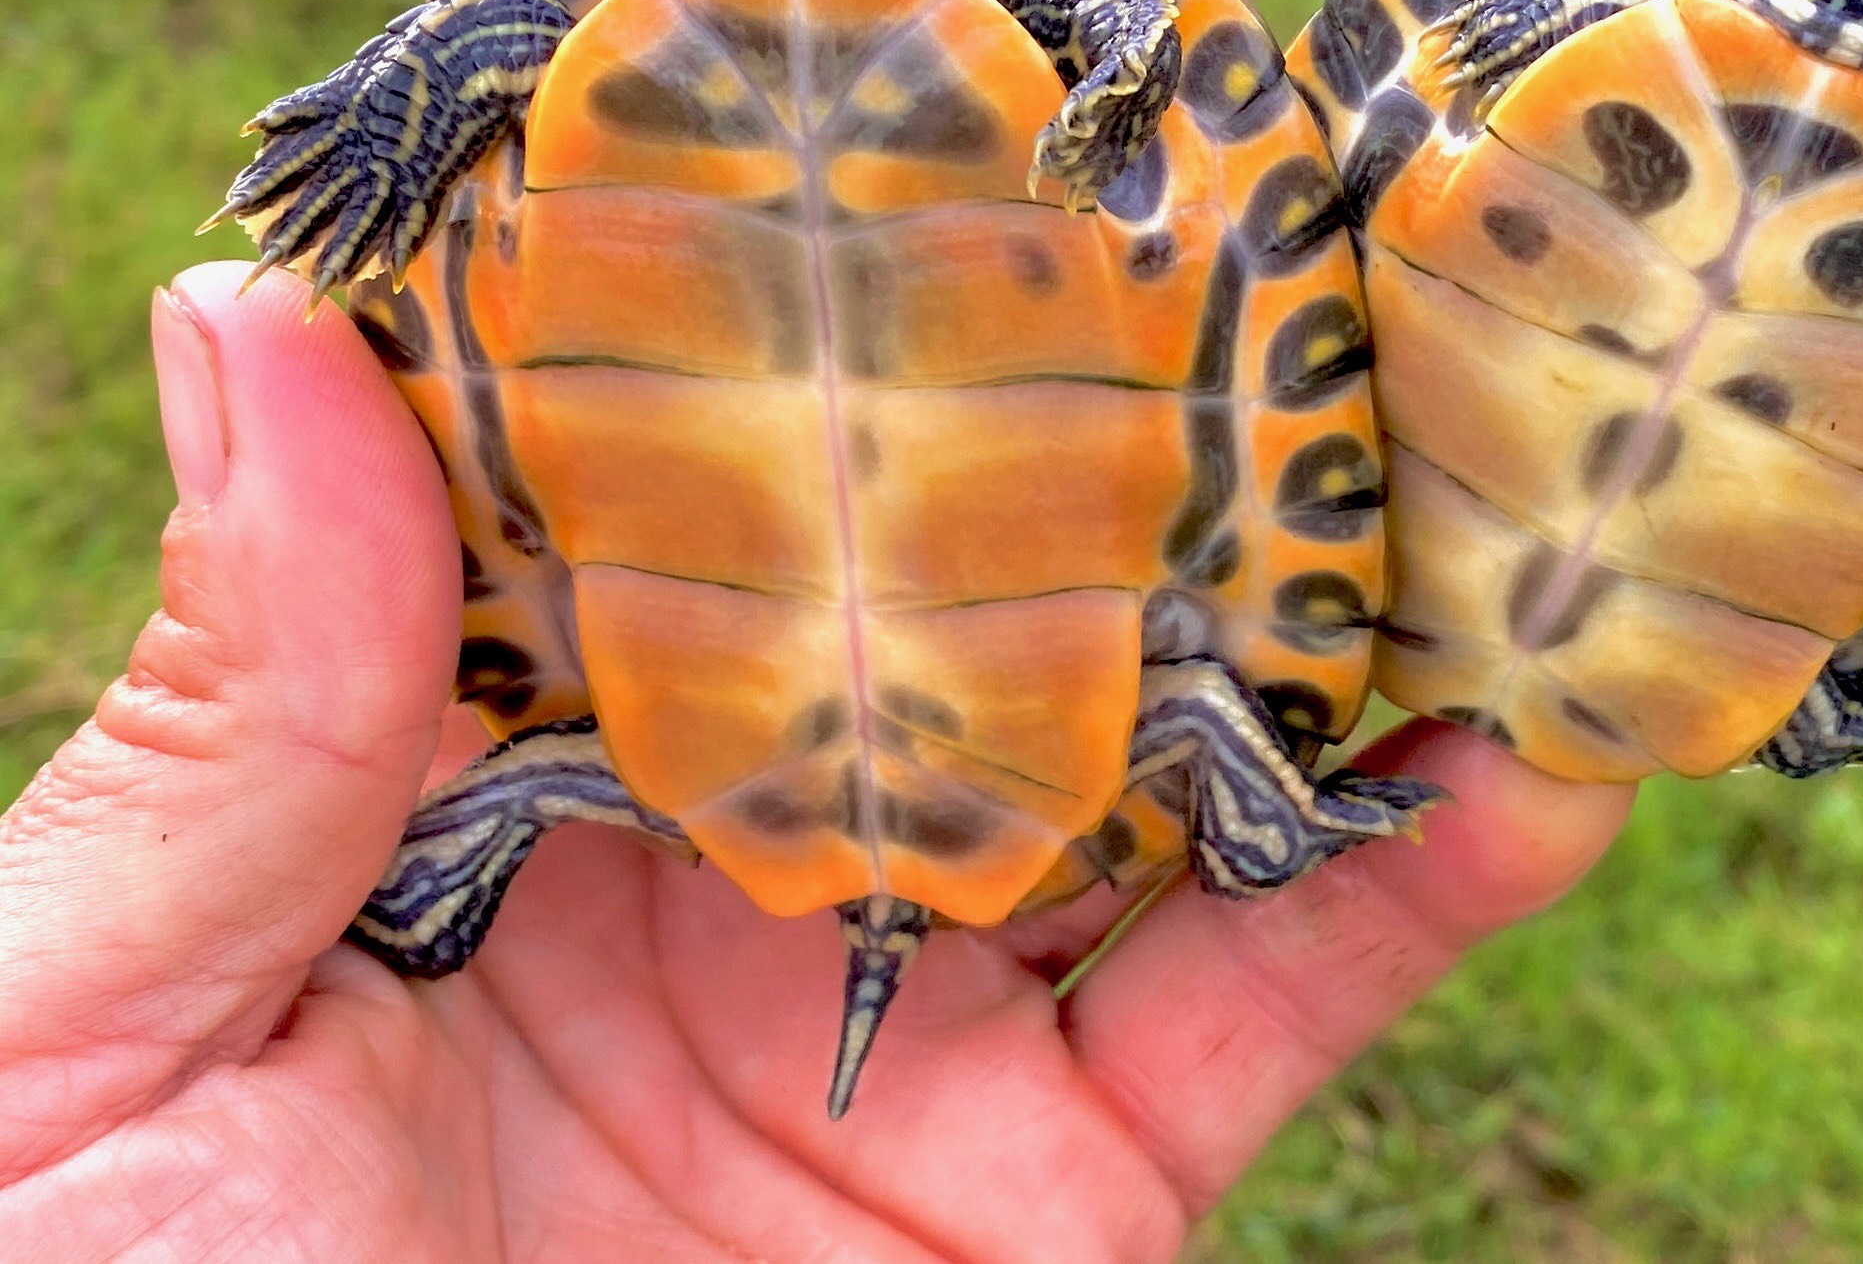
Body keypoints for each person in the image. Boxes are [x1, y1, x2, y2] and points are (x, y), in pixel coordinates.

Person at [0, 261, 1631, 1258]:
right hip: (1031, 657)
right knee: (1204, 698)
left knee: (565, 760)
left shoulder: (633, 762)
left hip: (700, 714)